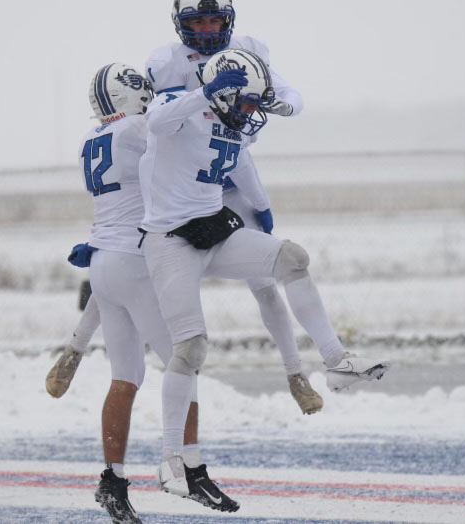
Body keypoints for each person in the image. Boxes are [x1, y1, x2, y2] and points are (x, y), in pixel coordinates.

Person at [47, 0, 325, 416]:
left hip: (230, 171)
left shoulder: (252, 49)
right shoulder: (166, 63)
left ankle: (295, 372)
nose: (210, 30)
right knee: (133, 255)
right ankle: (78, 351)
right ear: (181, 25)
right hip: (185, 184)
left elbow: (290, 93)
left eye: (217, 20)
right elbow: (158, 121)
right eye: (200, 21)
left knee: (265, 283)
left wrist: (278, 105)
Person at [139, 47, 387, 496]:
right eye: (247, 102)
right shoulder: (175, 106)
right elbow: (157, 122)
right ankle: (170, 458)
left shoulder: (230, 125)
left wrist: (263, 207)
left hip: (212, 230)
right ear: (220, 93)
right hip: (169, 240)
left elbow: (245, 165)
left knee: (291, 257)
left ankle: (336, 362)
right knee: (191, 348)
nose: (252, 112)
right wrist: (203, 95)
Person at [63, 64, 239, 523]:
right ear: (133, 94)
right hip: (138, 259)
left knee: (125, 378)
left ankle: (112, 480)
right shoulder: (141, 126)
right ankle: (189, 468)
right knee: (186, 361)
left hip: (104, 262)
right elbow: (182, 144)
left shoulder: (90, 139)